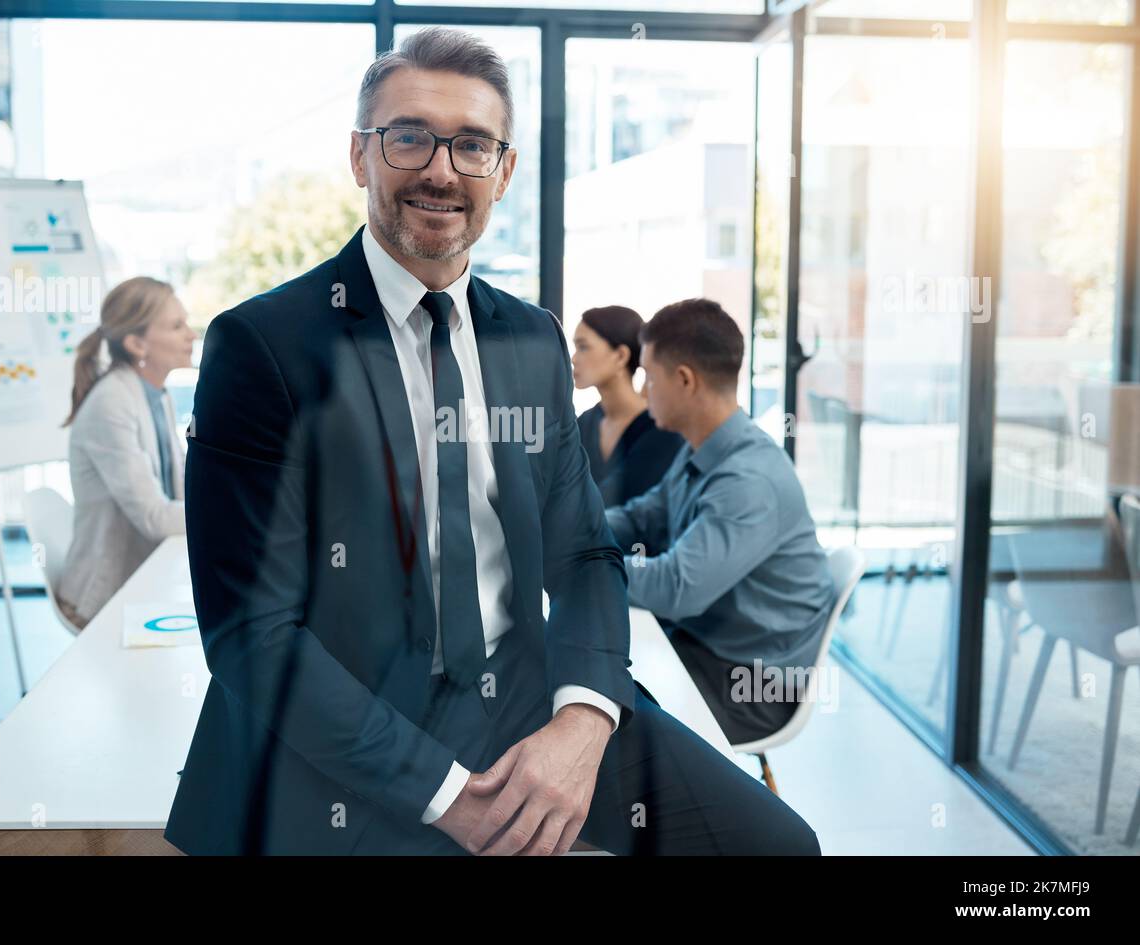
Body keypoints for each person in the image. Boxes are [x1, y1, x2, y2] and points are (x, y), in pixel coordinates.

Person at [165, 27, 819, 856]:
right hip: (350, 725)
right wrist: (451, 798)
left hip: (528, 699)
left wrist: (582, 719)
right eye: (409, 136)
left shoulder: (533, 339)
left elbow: (582, 555)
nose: (442, 169)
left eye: (472, 144)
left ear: (503, 171)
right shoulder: (263, 347)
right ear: (361, 156)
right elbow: (251, 636)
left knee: (777, 847)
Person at [606, 298, 836, 745]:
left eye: (649, 377)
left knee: (598, 715)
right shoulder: (703, 448)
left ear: (685, 380)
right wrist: (571, 530)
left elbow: (675, 588)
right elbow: (643, 517)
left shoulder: (749, 479)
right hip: (707, 646)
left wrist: (583, 562)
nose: (642, 389)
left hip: (749, 687)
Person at [54, 276, 195, 631]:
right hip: (104, 597)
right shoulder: (112, 402)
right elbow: (155, 518)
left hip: (148, 578)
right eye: (177, 327)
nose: (191, 335)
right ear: (136, 343)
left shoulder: (155, 393)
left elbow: (179, 489)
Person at [572, 305, 683, 506]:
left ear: (621, 355)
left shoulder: (662, 428)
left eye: (583, 347)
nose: (573, 358)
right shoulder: (582, 425)